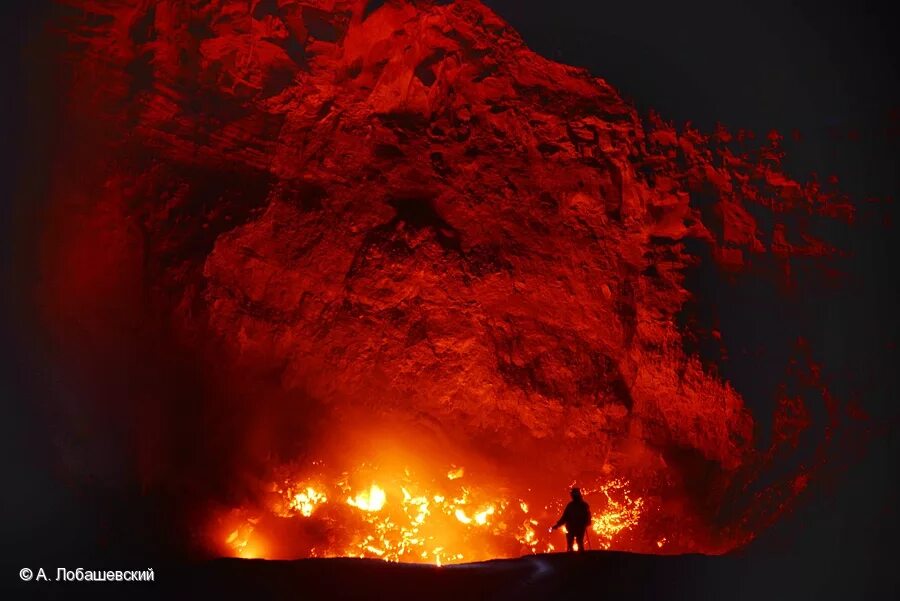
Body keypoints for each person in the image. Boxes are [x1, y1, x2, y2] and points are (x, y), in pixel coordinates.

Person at [550, 487, 591, 552]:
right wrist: (557, 525)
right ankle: (577, 557)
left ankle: (578, 558)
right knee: (573, 543)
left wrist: (586, 522)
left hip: (577, 527)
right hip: (574, 528)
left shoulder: (580, 505)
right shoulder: (578, 505)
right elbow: (565, 517)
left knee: (577, 542)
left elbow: (587, 516)